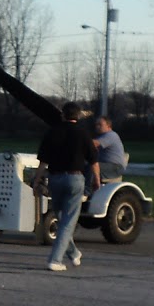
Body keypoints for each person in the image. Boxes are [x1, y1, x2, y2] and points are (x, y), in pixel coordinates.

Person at [35, 101, 100, 272]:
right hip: (75, 179)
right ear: (78, 116)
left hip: (55, 179)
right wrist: (97, 181)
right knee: (68, 222)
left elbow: (43, 161)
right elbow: (94, 161)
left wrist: (37, 180)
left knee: (61, 218)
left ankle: (74, 253)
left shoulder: (52, 132)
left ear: (62, 115)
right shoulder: (83, 133)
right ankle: (55, 260)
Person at [93, 116, 127, 181]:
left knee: (91, 167)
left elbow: (94, 144)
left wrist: (81, 139)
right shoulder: (101, 136)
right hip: (106, 166)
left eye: (100, 125)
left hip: (115, 168)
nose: (97, 126)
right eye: (96, 124)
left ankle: (87, 190)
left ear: (108, 126)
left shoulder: (111, 135)